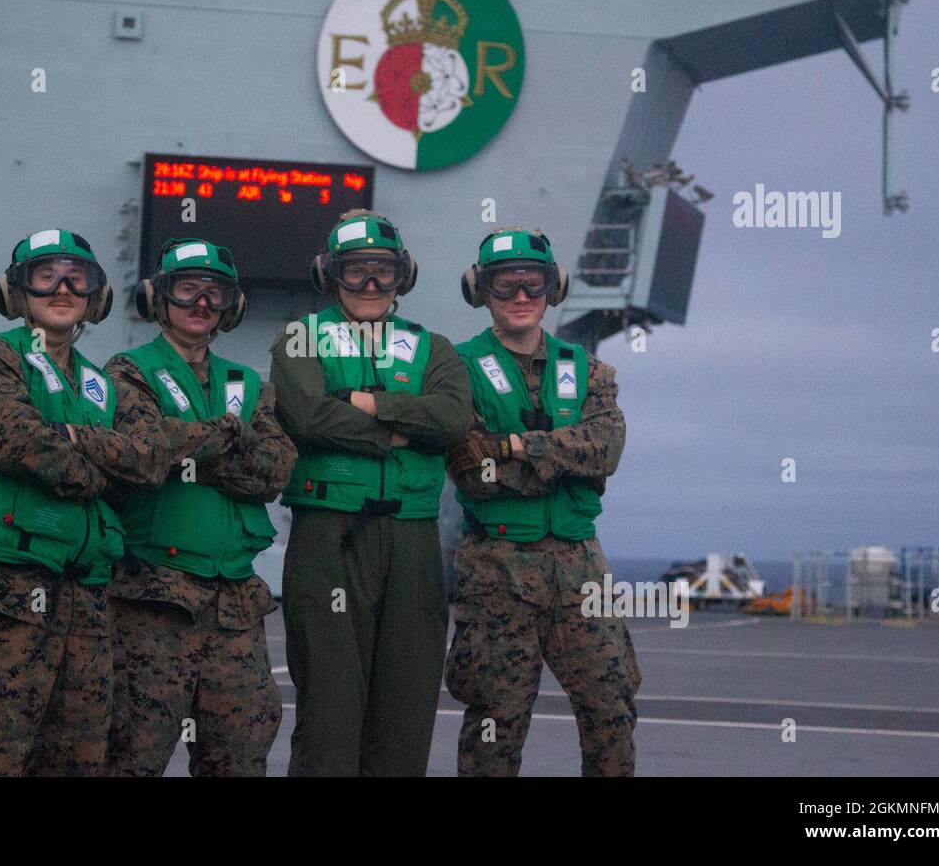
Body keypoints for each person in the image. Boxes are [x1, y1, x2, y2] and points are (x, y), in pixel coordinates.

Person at [0, 229, 172, 776]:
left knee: (77, 759)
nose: (63, 289)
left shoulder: (102, 383)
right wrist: (102, 469)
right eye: (46, 277)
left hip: (86, 595)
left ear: (96, 296)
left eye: (76, 278)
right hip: (10, 584)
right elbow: (18, 442)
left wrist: (73, 438)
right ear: (16, 293)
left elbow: (151, 460)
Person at [270, 209, 473, 776]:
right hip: (328, 536)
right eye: (355, 269)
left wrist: (364, 403)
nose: (369, 283)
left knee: (406, 710)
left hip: (413, 541)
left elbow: (453, 419)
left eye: (383, 270)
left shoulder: (434, 348)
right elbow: (308, 416)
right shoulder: (300, 338)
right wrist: (405, 432)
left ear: (403, 275)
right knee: (330, 713)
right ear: (329, 274)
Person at [446, 227, 641, 777]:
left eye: (533, 282)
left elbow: (606, 448)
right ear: (480, 290)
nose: (521, 296)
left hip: (581, 568)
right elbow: (476, 473)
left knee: (612, 711)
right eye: (505, 284)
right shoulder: (454, 370)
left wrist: (516, 446)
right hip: (497, 571)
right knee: (495, 722)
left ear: (554, 288)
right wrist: (564, 459)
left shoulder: (589, 369)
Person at [102, 237, 296, 776]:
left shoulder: (247, 381)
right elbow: (145, 451)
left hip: (233, 600)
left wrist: (191, 447)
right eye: (187, 289)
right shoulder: (127, 373)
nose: (202, 303)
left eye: (215, 292)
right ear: (158, 299)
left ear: (232, 306)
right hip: (152, 599)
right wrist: (235, 438)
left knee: (240, 754)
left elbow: (276, 470)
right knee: (133, 755)